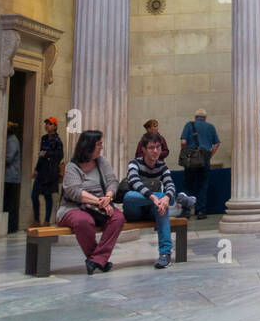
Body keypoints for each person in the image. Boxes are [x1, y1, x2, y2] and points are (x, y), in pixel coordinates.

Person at [57, 130, 125, 273]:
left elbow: (112, 181)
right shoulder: (72, 167)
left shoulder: (102, 162)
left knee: (118, 218)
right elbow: (75, 192)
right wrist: (100, 201)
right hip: (73, 207)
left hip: (100, 206)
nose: (101, 147)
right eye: (98, 144)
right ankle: (100, 260)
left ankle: (95, 261)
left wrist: (108, 197)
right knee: (83, 221)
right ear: (88, 146)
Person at [124, 133, 178, 268]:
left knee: (163, 204)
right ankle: (176, 200)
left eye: (158, 147)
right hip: (134, 209)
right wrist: (155, 197)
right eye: (151, 148)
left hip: (152, 209)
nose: (155, 151)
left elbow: (170, 185)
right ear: (143, 149)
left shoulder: (162, 166)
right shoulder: (134, 163)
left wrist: (165, 197)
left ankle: (165, 254)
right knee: (129, 196)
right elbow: (134, 182)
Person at [141, 119, 196, 217]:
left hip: (158, 167)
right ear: (148, 128)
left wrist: (157, 154)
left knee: (164, 189)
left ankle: (179, 201)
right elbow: (138, 154)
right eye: (154, 126)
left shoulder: (161, 139)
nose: (156, 128)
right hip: (146, 171)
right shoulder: (143, 142)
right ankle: (177, 201)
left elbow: (166, 151)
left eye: (157, 126)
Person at [179, 107, 220, 219]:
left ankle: (186, 211)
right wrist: (209, 155)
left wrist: (185, 152)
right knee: (203, 185)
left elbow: (183, 142)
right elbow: (216, 144)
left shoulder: (189, 125)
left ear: (195, 117)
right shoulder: (210, 127)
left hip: (191, 158)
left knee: (188, 185)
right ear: (205, 118)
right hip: (204, 158)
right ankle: (201, 211)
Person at [31, 117, 64, 225]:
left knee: (47, 196)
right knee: (34, 195)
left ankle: (46, 221)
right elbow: (41, 155)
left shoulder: (57, 140)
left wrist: (48, 154)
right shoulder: (44, 138)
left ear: (55, 126)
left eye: (49, 124)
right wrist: (36, 169)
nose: (47, 126)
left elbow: (60, 155)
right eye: (46, 124)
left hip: (51, 172)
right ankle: (36, 219)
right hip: (42, 171)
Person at [3, 121, 22, 234]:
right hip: (10, 176)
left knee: (10, 203)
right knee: (9, 202)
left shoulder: (12, 141)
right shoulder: (11, 140)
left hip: (11, 177)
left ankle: (11, 226)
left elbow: (8, 158)